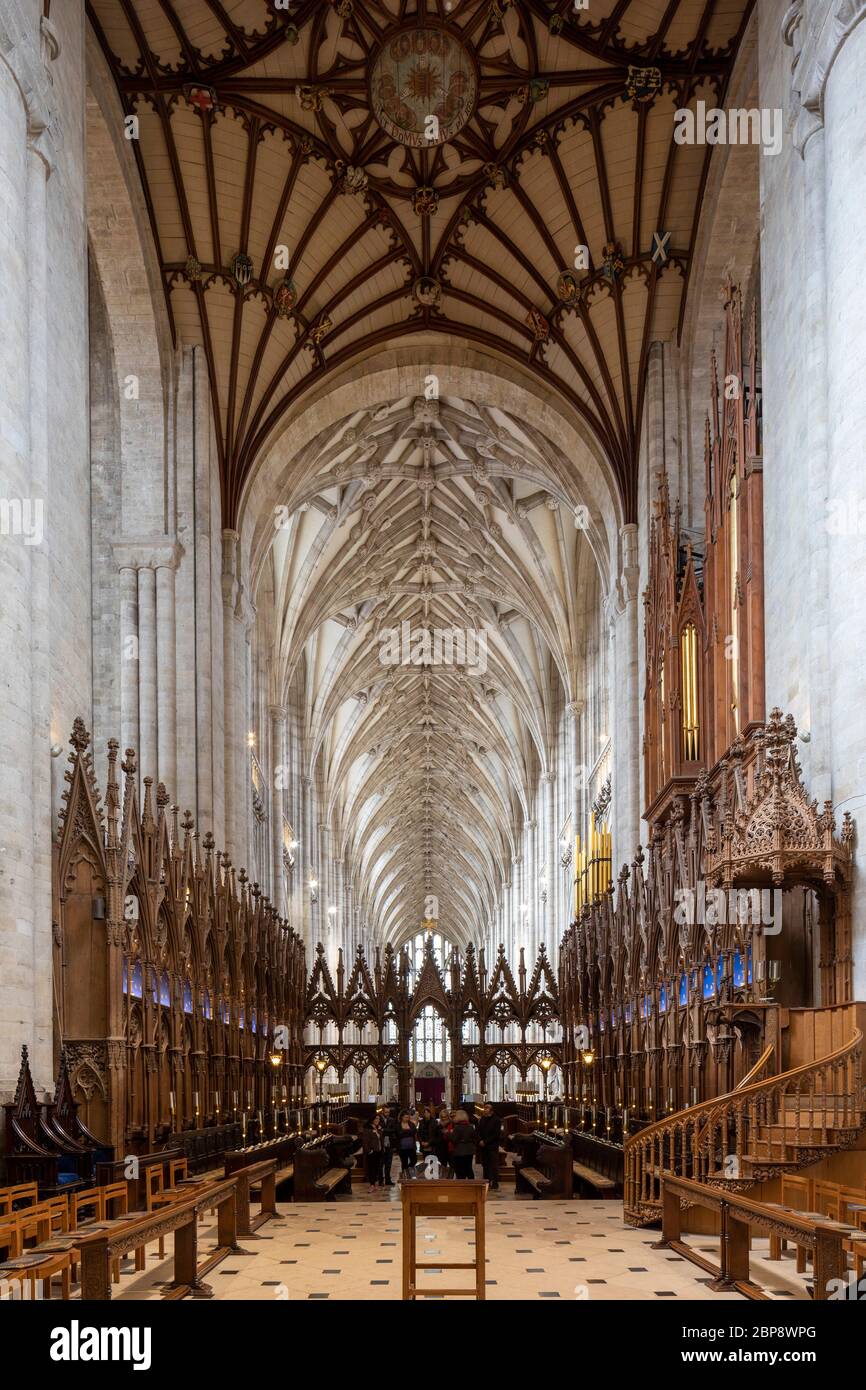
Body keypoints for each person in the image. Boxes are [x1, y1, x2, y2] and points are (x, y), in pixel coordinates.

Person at [477, 1103, 501, 1189]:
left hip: (492, 1146)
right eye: (485, 1108)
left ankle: (495, 1183)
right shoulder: (482, 1119)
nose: (484, 1109)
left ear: (491, 1111)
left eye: (487, 1108)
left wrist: (485, 1141)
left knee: (493, 1165)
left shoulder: (496, 1120)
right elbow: (478, 1131)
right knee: (485, 1165)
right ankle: (486, 1181)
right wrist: (480, 1140)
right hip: (483, 1146)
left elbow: (496, 1134)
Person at [449, 1109, 477, 1179]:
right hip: (469, 1151)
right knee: (469, 1168)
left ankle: (462, 1187)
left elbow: (454, 1140)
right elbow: (474, 1139)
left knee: (460, 1171)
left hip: (459, 1151)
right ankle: (472, 1185)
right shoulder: (470, 1127)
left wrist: (449, 1134)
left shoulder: (457, 1128)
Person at [361, 1115, 384, 1190]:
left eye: (379, 1119)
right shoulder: (367, 1128)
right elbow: (365, 1141)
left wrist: (380, 1130)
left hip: (379, 1151)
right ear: (372, 1119)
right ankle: (372, 1185)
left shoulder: (378, 1128)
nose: (378, 1120)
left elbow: (380, 1139)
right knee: (371, 1168)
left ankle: (374, 1184)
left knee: (377, 1168)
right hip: (372, 1152)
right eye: (376, 1118)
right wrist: (369, 1151)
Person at [380, 1104, 398, 1186]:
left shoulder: (392, 1120)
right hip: (381, 1144)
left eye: (388, 1112)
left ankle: (388, 1180)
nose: (387, 1114)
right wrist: (387, 1131)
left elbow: (394, 1130)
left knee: (388, 1163)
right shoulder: (379, 1119)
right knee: (381, 1163)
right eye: (386, 1112)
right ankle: (380, 1180)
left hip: (389, 1144)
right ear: (382, 1111)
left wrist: (384, 1130)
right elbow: (379, 1130)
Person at [397, 1111, 418, 1178]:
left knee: (414, 1160)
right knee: (404, 1162)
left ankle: (407, 1170)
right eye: (406, 1117)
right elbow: (399, 1134)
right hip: (402, 1147)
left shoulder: (411, 1124)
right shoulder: (398, 1125)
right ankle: (405, 1175)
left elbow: (413, 1132)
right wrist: (408, 1132)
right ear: (401, 1117)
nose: (407, 1118)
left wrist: (404, 1132)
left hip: (411, 1147)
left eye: (408, 1117)